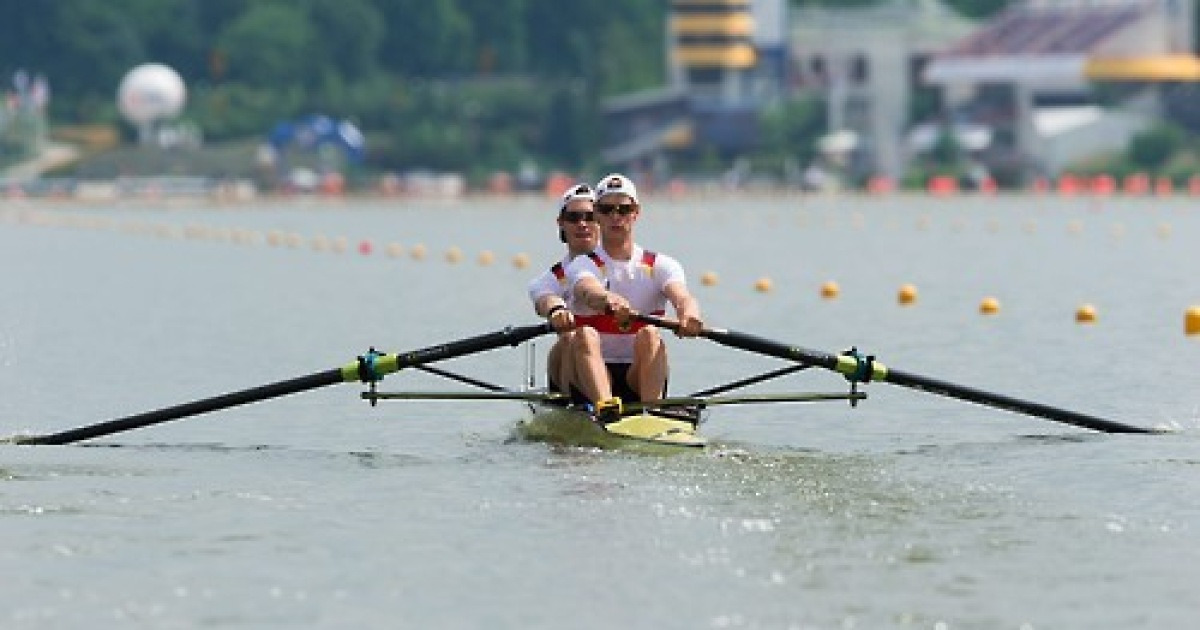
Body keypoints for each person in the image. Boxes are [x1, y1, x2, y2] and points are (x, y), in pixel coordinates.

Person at [564, 173, 703, 421]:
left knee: (650, 334)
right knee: (585, 334)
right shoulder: (583, 264)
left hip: (638, 373)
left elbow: (683, 297)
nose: (616, 216)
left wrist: (689, 315)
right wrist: (607, 300)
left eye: (623, 209)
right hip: (592, 373)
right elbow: (588, 290)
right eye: (607, 209)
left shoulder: (661, 265)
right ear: (596, 214)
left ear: (636, 212)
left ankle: (652, 415)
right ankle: (605, 406)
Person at [526, 182, 599, 395]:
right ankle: (581, 402)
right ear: (561, 223)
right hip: (572, 371)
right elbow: (543, 297)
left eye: (590, 216)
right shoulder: (552, 277)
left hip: (622, 364)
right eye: (574, 217)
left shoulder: (624, 268)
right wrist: (556, 310)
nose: (582, 224)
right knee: (569, 338)